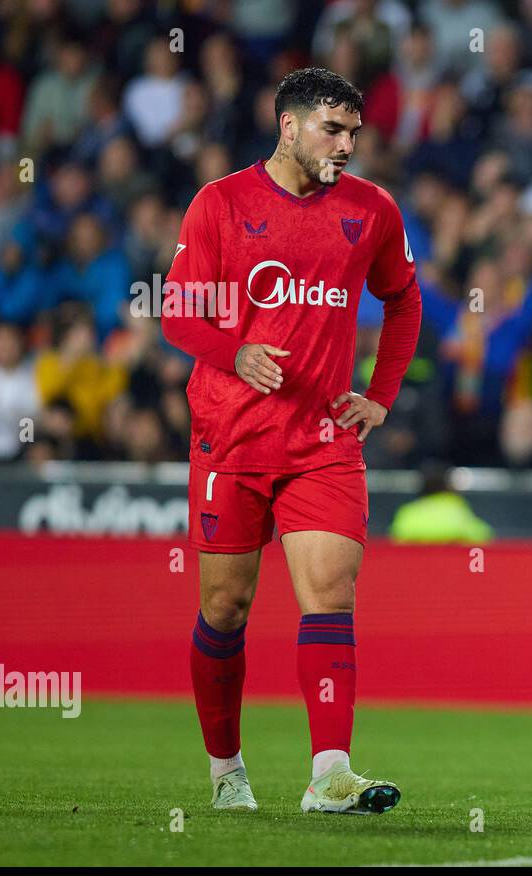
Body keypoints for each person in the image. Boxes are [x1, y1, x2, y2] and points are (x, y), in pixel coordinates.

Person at [161, 67, 422, 814]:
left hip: (323, 442)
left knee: (331, 594)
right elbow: (177, 313)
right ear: (288, 126)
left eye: (353, 133)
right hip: (231, 438)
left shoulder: (372, 209)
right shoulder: (221, 203)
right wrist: (236, 350)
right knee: (226, 607)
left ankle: (329, 775)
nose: (345, 145)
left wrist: (380, 396)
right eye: (332, 130)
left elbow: (403, 300)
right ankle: (226, 770)